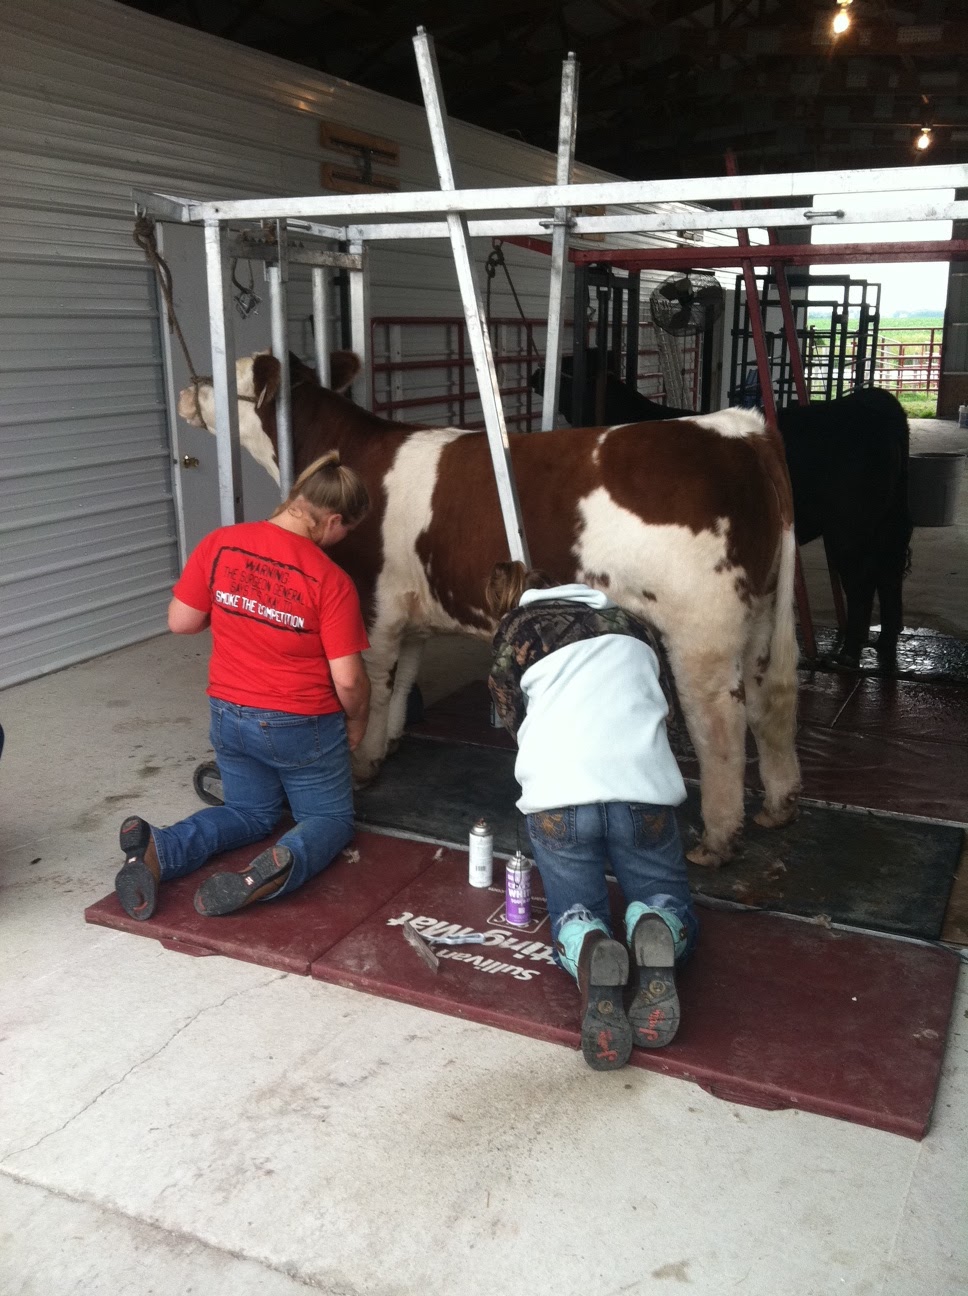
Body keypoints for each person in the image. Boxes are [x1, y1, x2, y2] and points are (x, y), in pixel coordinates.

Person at [115, 451, 371, 921]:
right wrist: (358, 721)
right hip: (300, 723)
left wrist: (237, 608)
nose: (342, 539)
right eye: (347, 530)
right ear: (333, 520)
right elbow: (349, 679)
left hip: (228, 714)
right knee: (329, 819)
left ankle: (159, 848)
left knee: (249, 813)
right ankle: (267, 873)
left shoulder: (221, 543)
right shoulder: (329, 579)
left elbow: (181, 622)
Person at [486, 561, 697, 1072]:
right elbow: (669, 713)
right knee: (667, 898)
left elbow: (509, 721)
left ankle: (592, 944)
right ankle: (655, 923)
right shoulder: (633, 624)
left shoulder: (515, 633)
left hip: (561, 798)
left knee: (574, 912)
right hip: (643, 790)